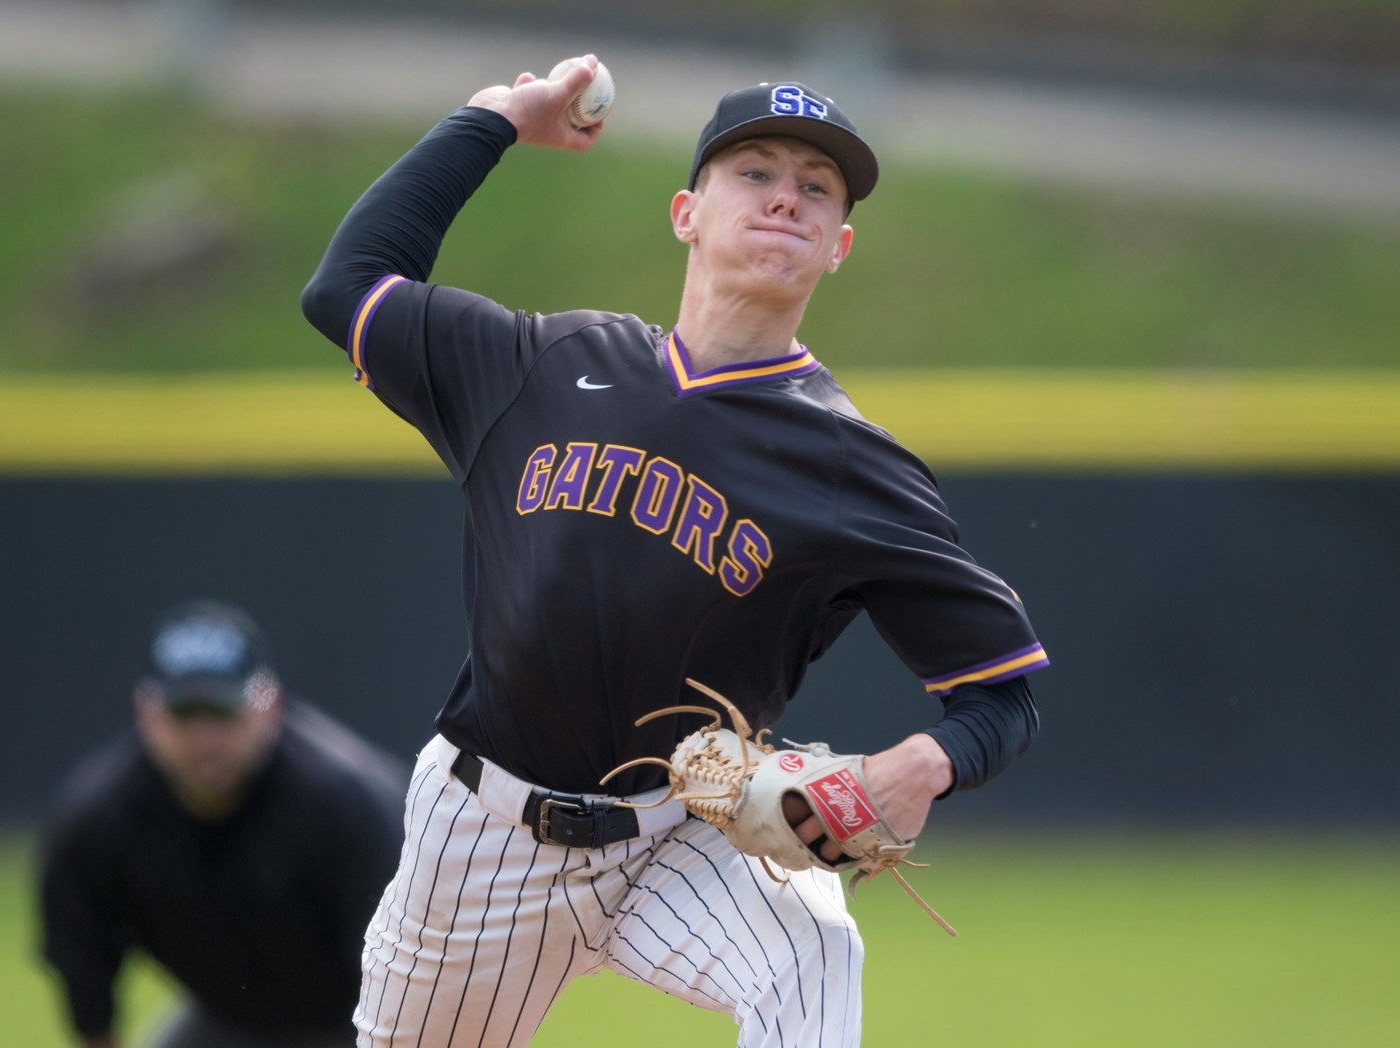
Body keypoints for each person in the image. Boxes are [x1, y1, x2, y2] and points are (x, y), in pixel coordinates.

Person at [301, 57, 1050, 1047]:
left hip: (692, 827)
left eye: (816, 188)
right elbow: (347, 287)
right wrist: (490, 120)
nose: (787, 195)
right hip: (482, 838)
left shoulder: (851, 464)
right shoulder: (539, 366)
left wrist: (919, 766)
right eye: (754, 172)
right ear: (684, 212)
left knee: (814, 956)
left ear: (838, 246)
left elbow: (1000, 695)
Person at [37, 599, 410, 1048]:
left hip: (359, 1026)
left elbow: (412, 974)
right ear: (146, 713)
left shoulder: (347, 803)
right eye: (183, 713)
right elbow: (85, 976)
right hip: (227, 1022)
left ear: (269, 707)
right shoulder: (98, 822)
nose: (205, 738)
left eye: (222, 711)